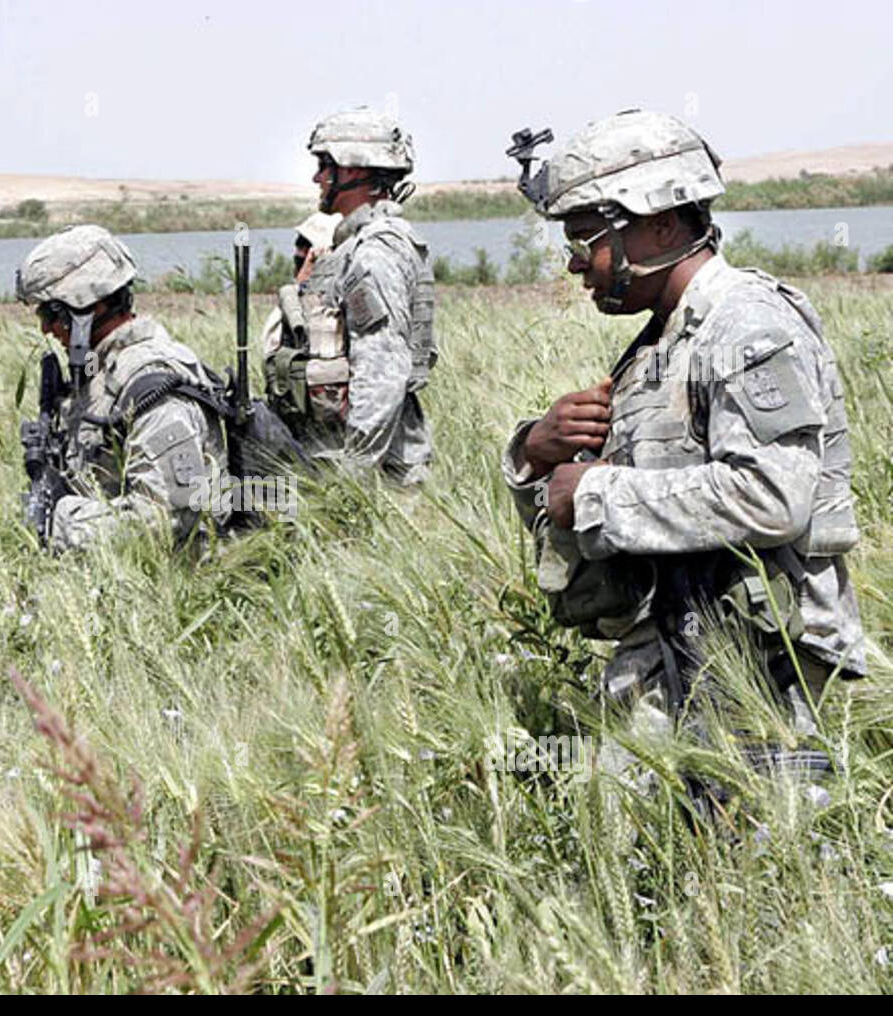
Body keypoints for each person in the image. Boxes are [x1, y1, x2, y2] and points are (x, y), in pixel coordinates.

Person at [502, 108, 865, 797]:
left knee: (765, 870)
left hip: (755, 671)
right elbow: (591, 511)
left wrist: (596, 492)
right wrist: (535, 455)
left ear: (660, 224)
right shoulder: (661, 343)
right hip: (676, 658)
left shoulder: (746, 323)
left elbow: (772, 496)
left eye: (588, 238)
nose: (577, 263)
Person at [15, 224, 228, 551]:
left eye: (51, 313)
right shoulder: (99, 370)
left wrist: (60, 519)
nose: (45, 328)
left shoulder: (154, 390)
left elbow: (165, 519)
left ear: (89, 307)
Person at [294, 107, 437, 483]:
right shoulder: (355, 245)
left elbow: (382, 370)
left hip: (378, 476)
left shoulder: (374, 253)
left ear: (353, 169)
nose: (317, 177)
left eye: (325, 165)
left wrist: (352, 478)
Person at [261, 211, 344, 444]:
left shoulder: (342, 298)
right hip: (300, 418)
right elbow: (271, 351)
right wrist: (302, 285)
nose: (301, 254)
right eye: (300, 246)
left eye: (307, 248)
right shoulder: (295, 301)